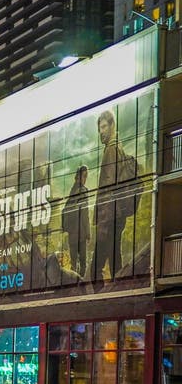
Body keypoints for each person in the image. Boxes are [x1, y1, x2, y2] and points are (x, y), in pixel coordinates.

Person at [94, 110, 137, 283]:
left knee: (97, 263)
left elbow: (108, 188)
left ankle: (94, 297)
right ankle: (120, 287)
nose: (101, 131)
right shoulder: (119, 148)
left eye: (104, 127)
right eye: (99, 129)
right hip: (118, 214)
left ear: (112, 126)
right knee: (114, 254)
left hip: (110, 216)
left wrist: (103, 221)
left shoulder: (111, 151)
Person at [61, 165, 91, 277]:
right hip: (81, 233)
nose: (85, 179)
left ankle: (74, 284)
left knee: (73, 262)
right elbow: (85, 214)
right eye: (84, 176)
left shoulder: (72, 191)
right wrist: (88, 233)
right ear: (79, 177)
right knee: (83, 262)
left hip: (71, 234)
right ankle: (81, 283)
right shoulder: (83, 191)